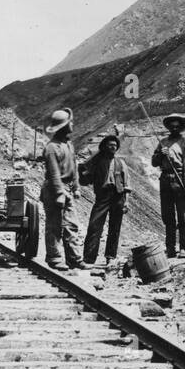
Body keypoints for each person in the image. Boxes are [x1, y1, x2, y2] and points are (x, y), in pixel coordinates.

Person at [40, 107, 85, 271]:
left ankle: (74, 258)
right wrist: (60, 193)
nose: (73, 125)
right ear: (64, 126)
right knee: (55, 225)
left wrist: (76, 187)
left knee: (71, 225)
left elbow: (74, 168)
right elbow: (54, 173)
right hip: (54, 189)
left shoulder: (69, 145)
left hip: (66, 188)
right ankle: (54, 258)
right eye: (70, 122)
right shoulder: (52, 147)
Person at [80, 132, 129, 269]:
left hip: (118, 196)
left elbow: (126, 183)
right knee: (94, 226)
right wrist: (81, 171)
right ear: (105, 147)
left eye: (115, 145)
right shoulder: (96, 162)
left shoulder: (121, 163)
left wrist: (126, 201)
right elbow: (85, 180)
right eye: (110, 145)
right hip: (103, 196)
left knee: (115, 227)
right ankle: (89, 258)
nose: (113, 147)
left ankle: (110, 257)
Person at [151, 113, 185, 258]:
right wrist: (160, 155)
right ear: (168, 127)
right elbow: (154, 162)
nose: (174, 128)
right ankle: (170, 248)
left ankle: (183, 249)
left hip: (180, 180)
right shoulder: (162, 142)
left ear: (180, 128)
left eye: (177, 126)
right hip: (165, 180)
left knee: (182, 217)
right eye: (172, 126)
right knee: (168, 217)